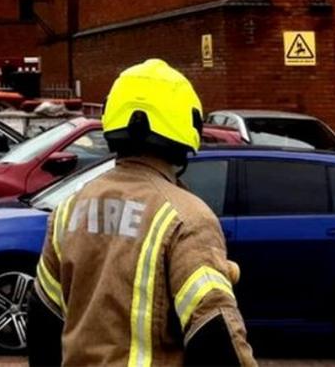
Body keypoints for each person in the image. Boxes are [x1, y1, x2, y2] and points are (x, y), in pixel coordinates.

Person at [29, 58, 255, 366]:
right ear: (184, 126)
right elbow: (215, 334)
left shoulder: (69, 208)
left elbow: (44, 322)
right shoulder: (186, 217)